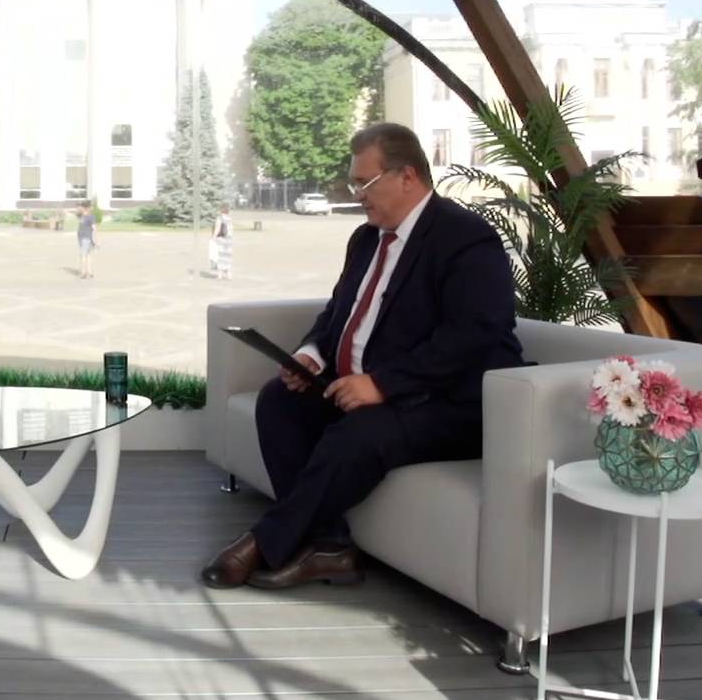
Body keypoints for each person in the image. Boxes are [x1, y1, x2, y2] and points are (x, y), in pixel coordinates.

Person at [200, 123, 522, 590]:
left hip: (449, 403)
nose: (357, 195)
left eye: (364, 183)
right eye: (353, 183)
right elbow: (338, 312)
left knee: (356, 435)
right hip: (366, 391)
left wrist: (382, 384)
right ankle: (331, 546)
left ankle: (262, 543)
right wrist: (311, 354)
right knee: (278, 402)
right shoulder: (366, 238)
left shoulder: (466, 237)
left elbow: (475, 334)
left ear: (407, 176)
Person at [210, 206, 235, 280]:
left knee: (220, 257)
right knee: (227, 257)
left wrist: (213, 237)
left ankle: (220, 275)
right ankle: (229, 275)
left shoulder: (220, 218)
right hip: (229, 240)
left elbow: (217, 228)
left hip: (221, 239)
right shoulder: (229, 218)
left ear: (221, 211)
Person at [76, 201, 99, 279]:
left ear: (85, 208)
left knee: (83, 255)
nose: (80, 208)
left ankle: (84, 273)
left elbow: (94, 229)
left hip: (86, 238)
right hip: (81, 238)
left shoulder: (91, 217)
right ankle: (89, 272)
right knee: (88, 255)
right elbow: (77, 213)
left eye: (82, 207)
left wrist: (96, 241)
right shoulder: (81, 215)